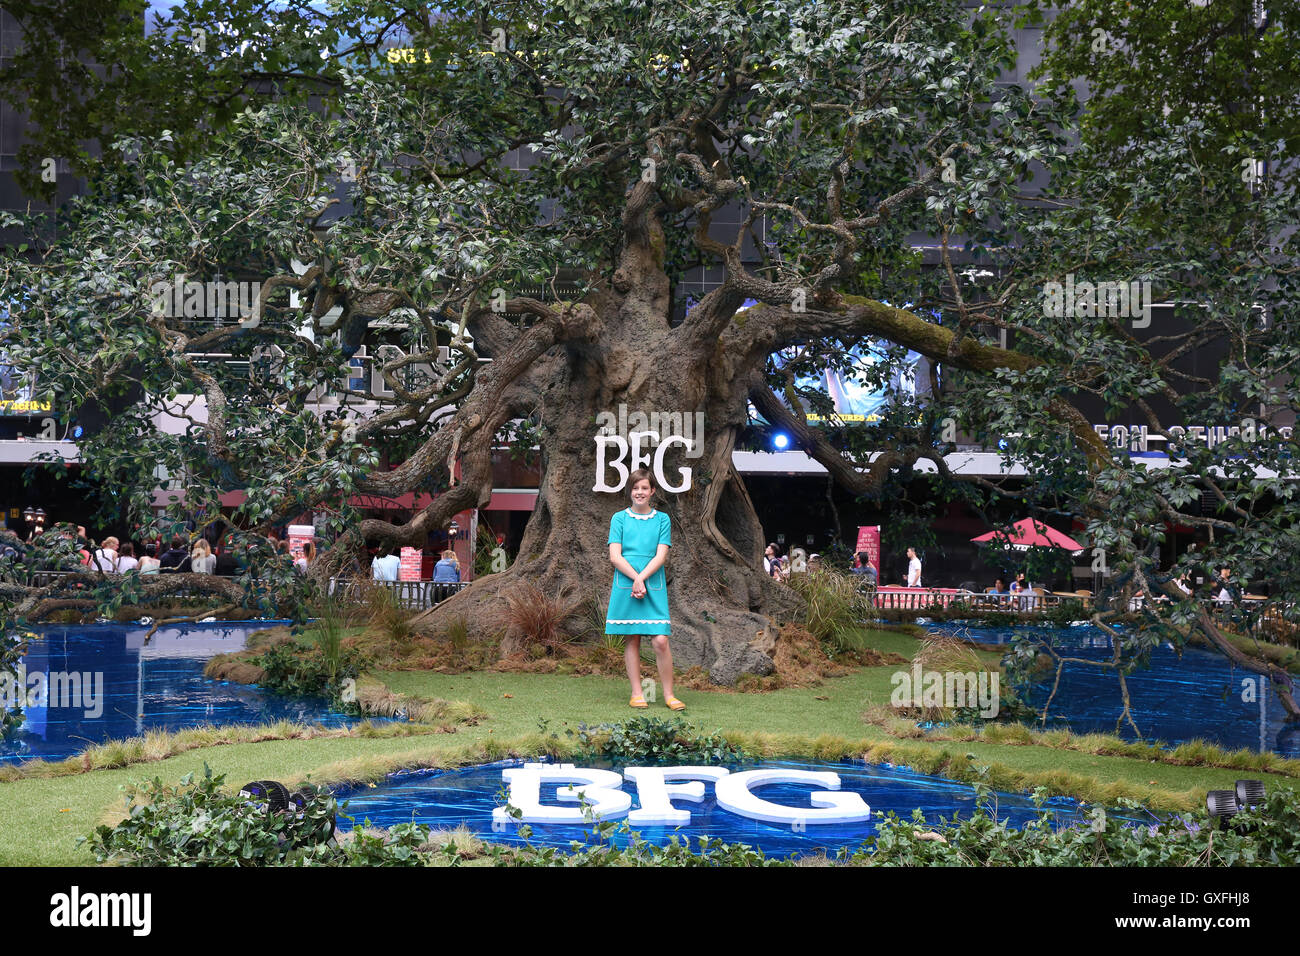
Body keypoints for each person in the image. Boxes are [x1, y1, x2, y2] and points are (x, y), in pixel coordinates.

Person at [606, 469, 683, 711]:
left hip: (652, 583)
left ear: (652, 492)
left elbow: (661, 555)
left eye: (644, 488)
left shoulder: (662, 520)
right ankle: (637, 693)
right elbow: (615, 556)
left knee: (660, 640)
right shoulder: (619, 518)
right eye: (635, 488)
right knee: (632, 638)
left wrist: (642, 578)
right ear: (630, 491)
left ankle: (669, 695)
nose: (640, 492)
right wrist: (635, 579)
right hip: (626, 583)